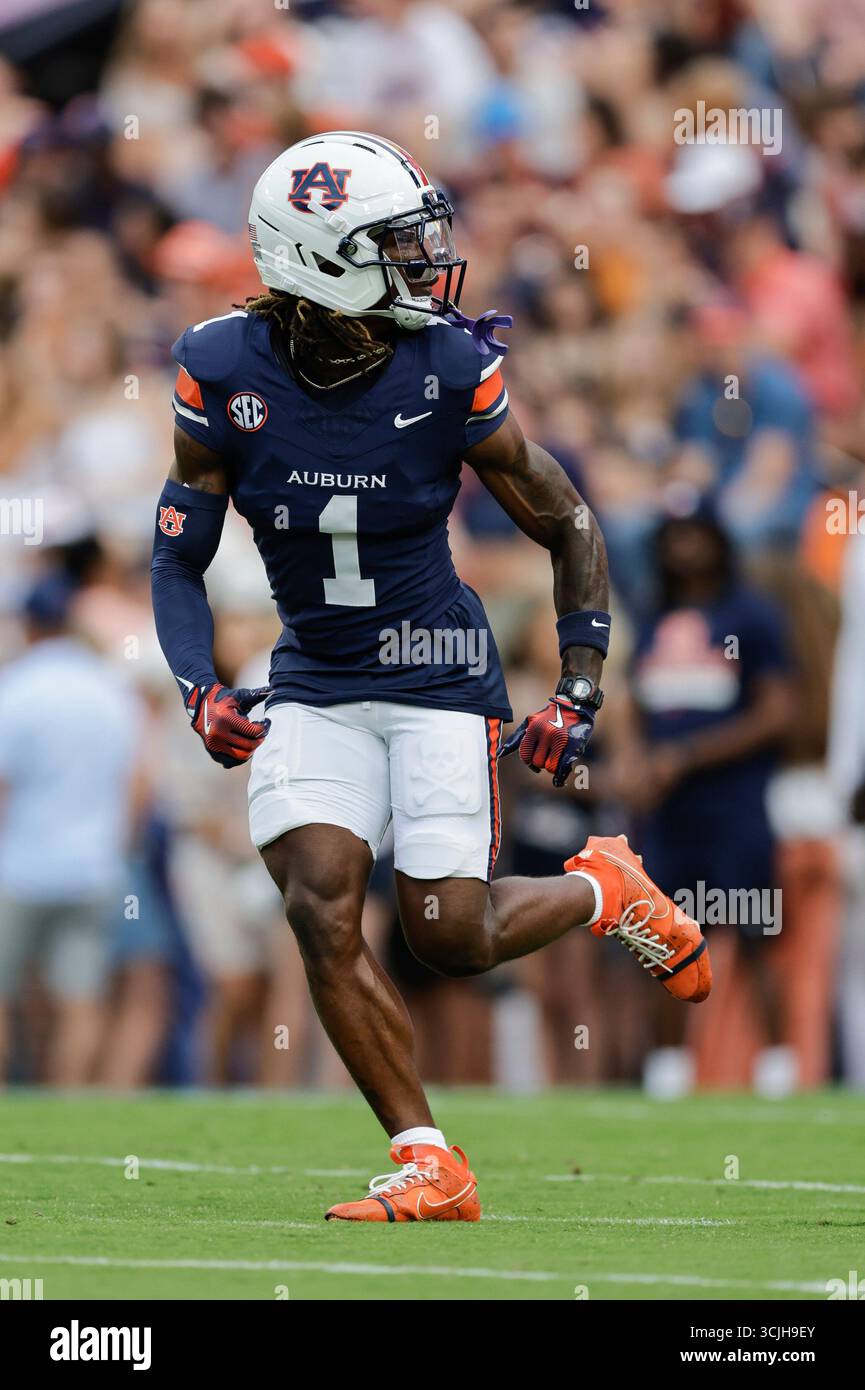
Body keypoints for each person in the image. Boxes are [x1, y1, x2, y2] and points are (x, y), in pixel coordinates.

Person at [150, 131, 711, 1222]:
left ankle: (605, 887)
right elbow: (177, 551)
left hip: (438, 672)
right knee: (319, 905)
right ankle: (428, 1159)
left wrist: (580, 683)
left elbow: (565, 518)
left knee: (448, 936)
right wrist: (195, 684)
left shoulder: (448, 364)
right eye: (393, 243)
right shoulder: (221, 366)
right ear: (318, 261)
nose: (423, 261)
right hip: (311, 674)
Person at [606, 507, 792, 1095]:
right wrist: (636, 759)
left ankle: (777, 1066)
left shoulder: (750, 616)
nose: (685, 547)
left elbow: (777, 712)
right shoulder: (652, 615)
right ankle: (667, 1069)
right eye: (674, 536)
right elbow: (631, 702)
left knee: (754, 932)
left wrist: (686, 757)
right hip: (666, 811)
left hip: (733, 805)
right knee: (664, 934)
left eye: (696, 534)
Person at [0, 574, 138, 1084]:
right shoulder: (108, 686)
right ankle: (71, 1106)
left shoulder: (16, 687)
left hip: (20, 865)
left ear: (30, 626)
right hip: (95, 865)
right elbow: (137, 781)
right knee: (81, 999)